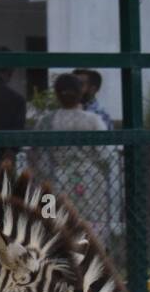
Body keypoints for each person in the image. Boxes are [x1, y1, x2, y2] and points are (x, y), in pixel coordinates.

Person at [30, 72, 110, 225]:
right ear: (80, 93)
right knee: (88, 222)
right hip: (89, 179)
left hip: (54, 178)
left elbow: (36, 154)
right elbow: (104, 155)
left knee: (53, 224)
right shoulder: (93, 120)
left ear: (57, 94)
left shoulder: (46, 121)